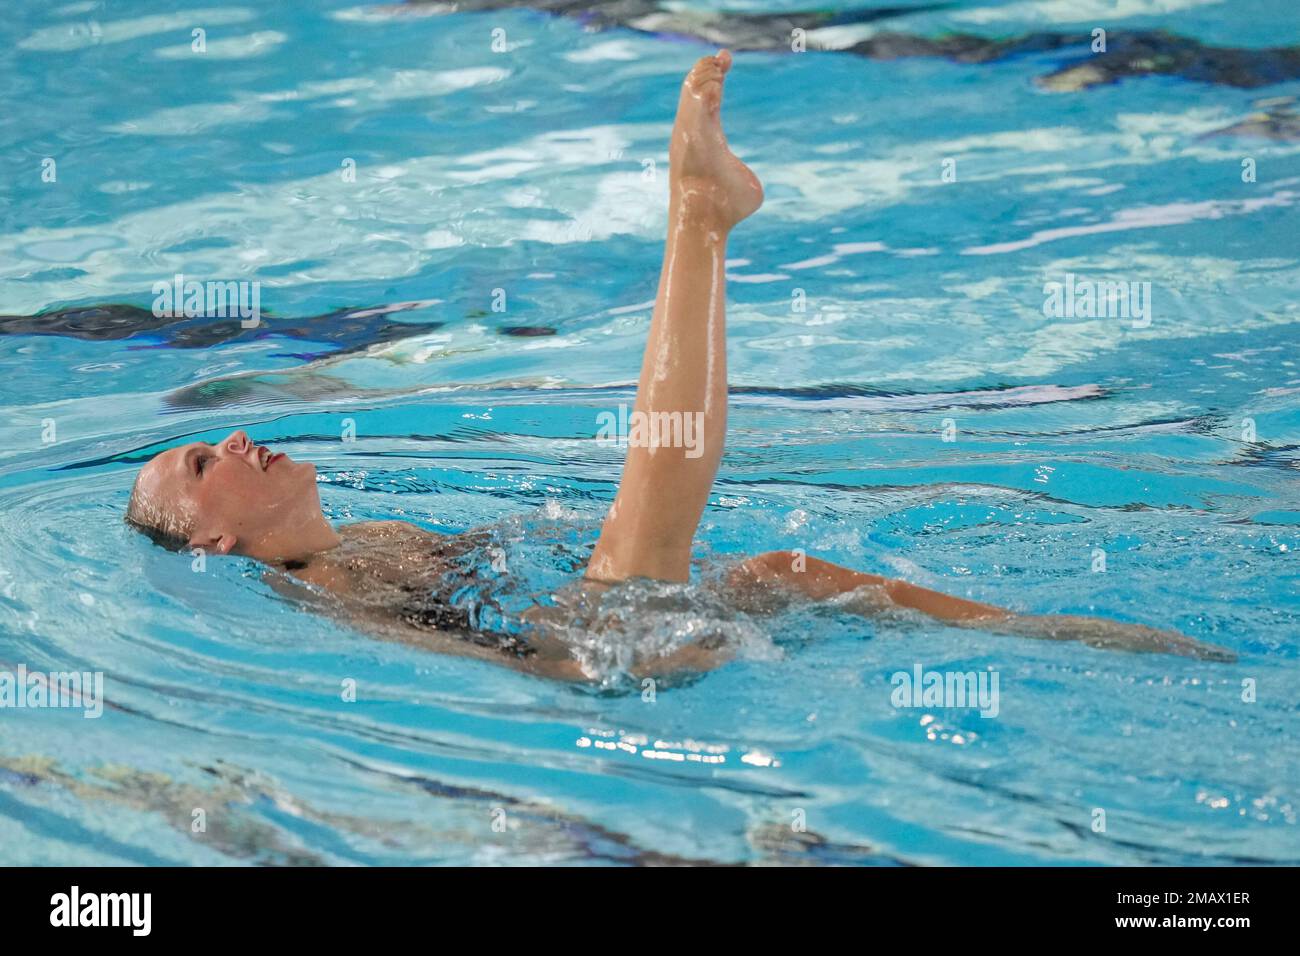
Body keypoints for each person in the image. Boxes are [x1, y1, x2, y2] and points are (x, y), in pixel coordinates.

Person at [125, 51, 1235, 679]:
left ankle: (1067, 637)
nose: (232, 437)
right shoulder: (316, 587)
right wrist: (606, 624)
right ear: (216, 537)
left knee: (783, 569)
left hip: (597, 618)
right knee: (644, 515)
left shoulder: (362, 539)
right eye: (200, 459)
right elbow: (492, 660)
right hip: (592, 662)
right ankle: (697, 218)